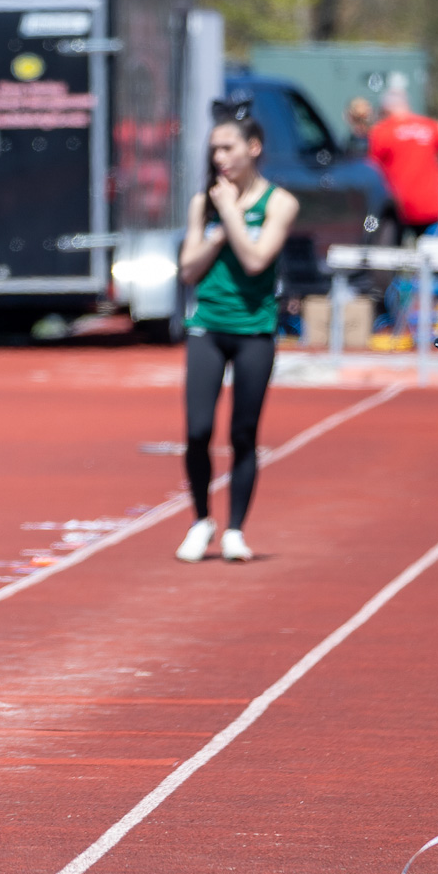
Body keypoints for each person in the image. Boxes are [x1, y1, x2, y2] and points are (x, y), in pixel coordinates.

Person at [173, 101, 299, 565]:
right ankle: (201, 519)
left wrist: (230, 218)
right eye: (213, 150)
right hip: (207, 326)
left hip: (254, 332)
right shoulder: (203, 201)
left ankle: (235, 530)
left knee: (243, 434)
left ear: (253, 148)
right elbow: (187, 269)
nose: (219, 158)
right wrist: (218, 227)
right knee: (197, 430)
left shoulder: (280, 202)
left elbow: (256, 260)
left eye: (227, 148)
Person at [368, 86, 438, 236]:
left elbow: (371, 165)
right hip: (429, 205)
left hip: (397, 206)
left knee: (392, 251)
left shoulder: (381, 131)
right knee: (430, 251)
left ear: (386, 109)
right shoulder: (429, 126)